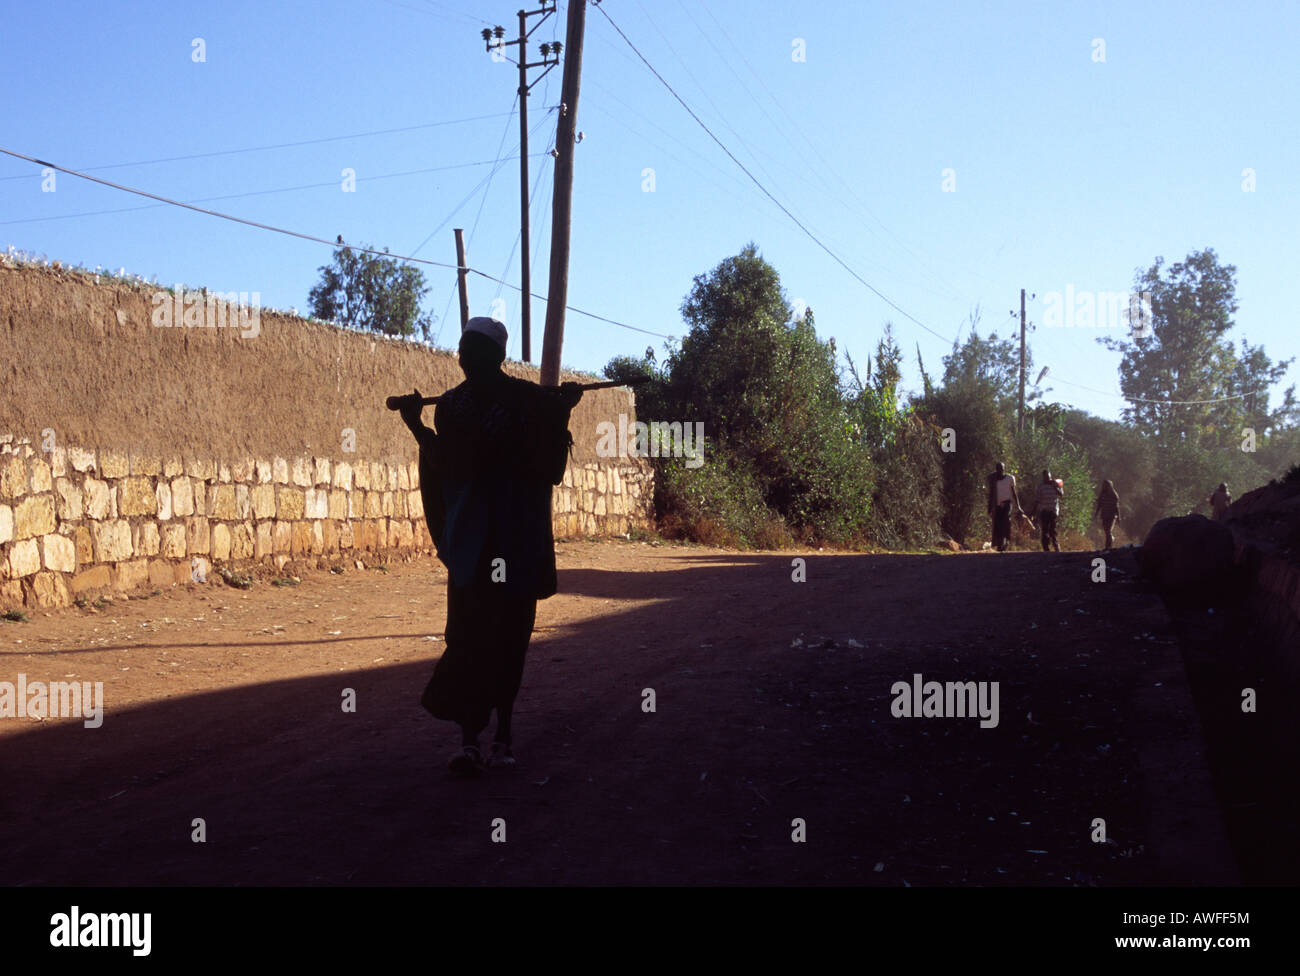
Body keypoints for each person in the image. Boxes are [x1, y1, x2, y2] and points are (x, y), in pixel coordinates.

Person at [397, 317, 582, 777]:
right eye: (462, 350)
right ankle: (475, 739)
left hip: (500, 542)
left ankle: (500, 735)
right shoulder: (471, 406)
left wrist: (560, 414)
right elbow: (452, 464)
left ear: (492, 356)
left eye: (470, 350)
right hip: (486, 543)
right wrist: (418, 425)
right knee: (471, 639)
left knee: (503, 638)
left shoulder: (513, 404)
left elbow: (545, 467)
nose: (462, 358)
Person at [986, 462, 1024, 552]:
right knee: (998, 525)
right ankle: (1000, 543)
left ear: (1004, 469)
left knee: (1005, 522)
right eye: (998, 469)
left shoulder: (1010, 478)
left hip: (1007, 503)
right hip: (998, 505)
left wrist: (1018, 506)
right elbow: (991, 494)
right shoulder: (994, 480)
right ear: (996, 470)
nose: (1000, 471)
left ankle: (1005, 541)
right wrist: (989, 506)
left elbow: (1014, 493)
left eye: (1002, 469)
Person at [1033, 469, 1065, 552]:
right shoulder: (1040, 486)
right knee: (1044, 530)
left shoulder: (1056, 484)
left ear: (1050, 476)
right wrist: (1034, 512)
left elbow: (1061, 494)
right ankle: (1046, 548)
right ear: (1043, 477)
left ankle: (1056, 546)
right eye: (1046, 476)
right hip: (1044, 510)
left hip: (1053, 510)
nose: (1048, 478)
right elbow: (1037, 500)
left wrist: (1055, 487)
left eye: (1049, 476)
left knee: (1053, 530)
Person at [1092, 479, 1120, 550]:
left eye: (1106, 485)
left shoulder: (1114, 495)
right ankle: (1110, 541)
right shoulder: (1102, 494)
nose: (1104, 487)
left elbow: (1117, 507)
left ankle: (1108, 547)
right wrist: (1096, 513)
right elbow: (1100, 504)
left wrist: (1119, 517)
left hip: (1112, 516)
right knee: (1106, 531)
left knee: (1108, 530)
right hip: (1104, 515)